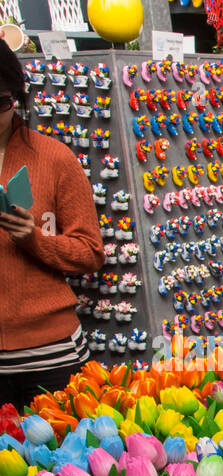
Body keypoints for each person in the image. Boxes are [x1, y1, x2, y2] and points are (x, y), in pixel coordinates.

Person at [0, 40, 104, 409]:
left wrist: (35, 240)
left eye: (0, 103)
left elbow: (91, 253)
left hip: (50, 353)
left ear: (17, 99)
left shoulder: (54, 158)